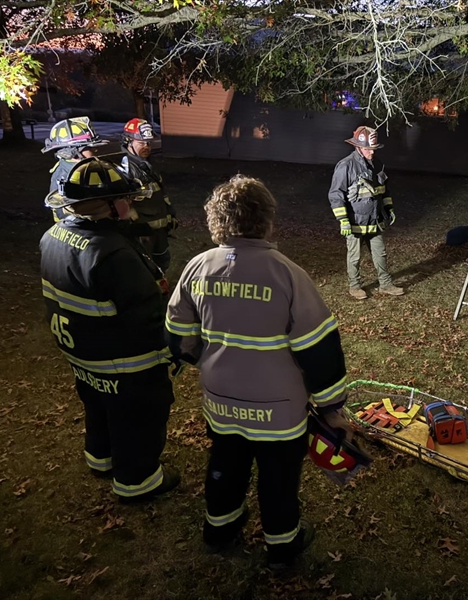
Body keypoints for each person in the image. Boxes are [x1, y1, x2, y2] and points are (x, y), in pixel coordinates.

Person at [166, 176, 351, 566]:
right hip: (279, 410)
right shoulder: (287, 274)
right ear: (266, 220)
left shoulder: (197, 267)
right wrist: (332, 405)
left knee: (224, 465)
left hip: (221, 402)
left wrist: (206, 362)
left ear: (216, 220)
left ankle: (219, 530)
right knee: (278, 478)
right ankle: (282, 548)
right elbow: (318, 348)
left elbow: (179, 335)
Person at [39, 158, 179, 502]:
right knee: (139, 415)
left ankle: (100, 458)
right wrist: (170, 348)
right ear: (107, 205)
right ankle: (138, 480)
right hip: (124, 361)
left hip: (83, 353)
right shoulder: (113, 253)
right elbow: (145, 313)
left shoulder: (53, 235)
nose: (130, 203)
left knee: (98, 406)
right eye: (124, 198)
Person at [328, 126, 404, 300]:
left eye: (373, 149)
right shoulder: (346, 165)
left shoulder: (377, 164)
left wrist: (388, 209)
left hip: (374, 220)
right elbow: (335, 195)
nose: (372, 152)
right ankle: (355, 287)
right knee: (354, 257)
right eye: (369, 149)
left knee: (380, 253)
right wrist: (343, 220)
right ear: (358, 147)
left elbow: (384, 190)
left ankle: (385, 284)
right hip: (355, 221)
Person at [118, 118, 176, 273]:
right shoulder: (125, 168)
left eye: (149, 143)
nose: (147, 147)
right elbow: (122, 201)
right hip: (143, 232)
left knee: (162, 261)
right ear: (128, 141)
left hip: (159, 229)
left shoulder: (147, 166)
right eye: (142, 143)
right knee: (144, 267)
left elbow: (160, 193)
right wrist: (134, 224)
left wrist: (170, 214)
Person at [42, 117, 108, 221]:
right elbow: (68, 214)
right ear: (74, 151)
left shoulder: (83, 169)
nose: (96, 149)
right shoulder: (65, 177)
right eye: (89, 147)